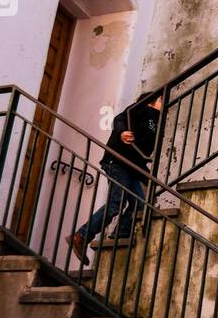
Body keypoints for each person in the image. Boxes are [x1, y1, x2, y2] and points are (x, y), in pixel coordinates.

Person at [67, 90, 163, 261]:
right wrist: (122, 132)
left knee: (141, 204)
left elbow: (142, 152)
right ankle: (81, 236)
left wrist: (146, 175)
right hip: (117, 162)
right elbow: (120, 118)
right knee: (115, 203)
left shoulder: (157, 121)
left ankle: (120, 233)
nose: (164, 103)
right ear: (152, 101)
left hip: (133, 167)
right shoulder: (141, 109)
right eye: (162, 99)